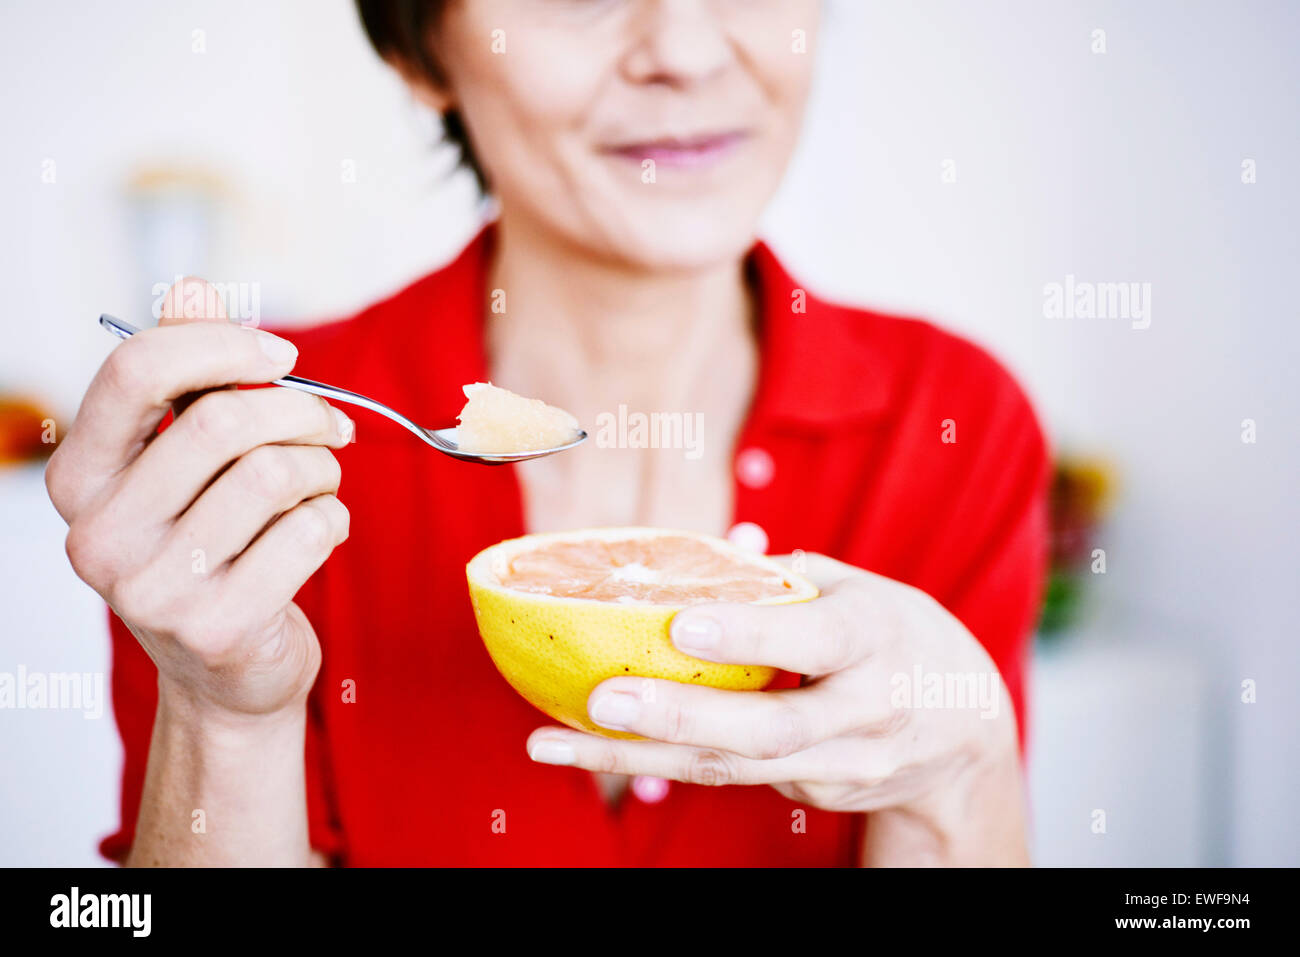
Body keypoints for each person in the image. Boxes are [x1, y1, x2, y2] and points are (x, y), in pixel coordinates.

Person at [46, 0, 1049, 866]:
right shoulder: (253, 456)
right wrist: (226, 720)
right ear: (419, 56)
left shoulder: (953, 425)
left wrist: (959, 781)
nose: (687, 52)